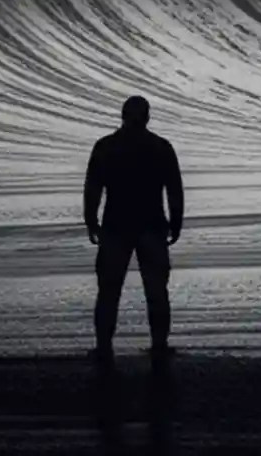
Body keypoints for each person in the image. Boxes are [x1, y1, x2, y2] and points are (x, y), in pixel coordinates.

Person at [84, 95, 184, 361]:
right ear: (148, 117)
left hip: (116, 226)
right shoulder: (161, 147)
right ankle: (159, 345)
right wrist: (176, 222)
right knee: (156, 289)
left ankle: (104, 346)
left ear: (122, 116)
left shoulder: (106, 147)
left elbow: (93, 188)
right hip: (151, 225)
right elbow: (174, 190)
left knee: (109, 289)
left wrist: (91, 220)